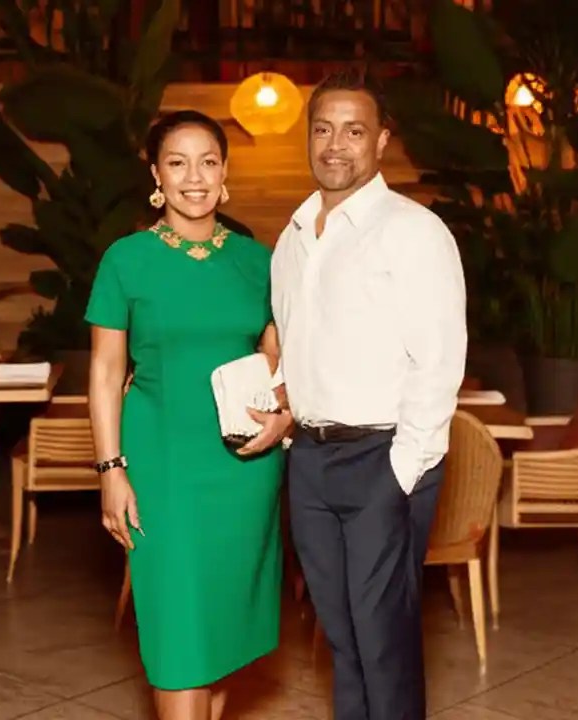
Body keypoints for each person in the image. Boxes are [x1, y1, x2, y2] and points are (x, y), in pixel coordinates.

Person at [270, 68, 468, 719]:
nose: (335, 145)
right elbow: (299, 347)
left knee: (385, 646)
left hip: (382, 459)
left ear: (382, 141)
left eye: (354, 131)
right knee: (343, 641)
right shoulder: (293, 239)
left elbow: (439, 364)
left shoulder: (413, 232)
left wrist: (400, 472)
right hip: (311, 462)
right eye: (323, 129)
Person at [86, 110, 294, 720]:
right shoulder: (126, 260)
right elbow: (103, 372)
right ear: (156, 174)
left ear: (225, 172)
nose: (194, 177)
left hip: (243, 469)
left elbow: (279, 358)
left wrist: (282, 414)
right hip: (161, 467)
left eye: (208, 162)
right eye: (178, 163)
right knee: (179, 634)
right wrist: (110, 468)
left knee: (225, 631)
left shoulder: (260, 262)